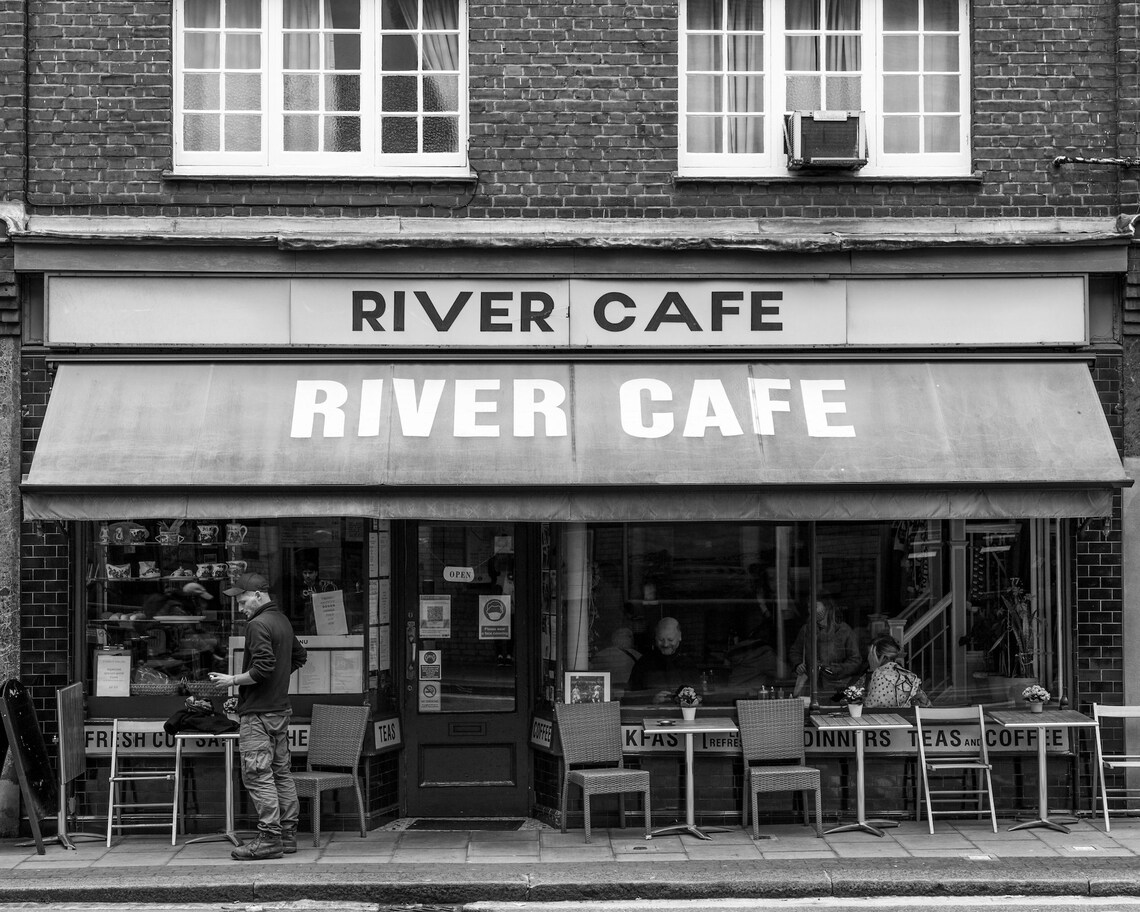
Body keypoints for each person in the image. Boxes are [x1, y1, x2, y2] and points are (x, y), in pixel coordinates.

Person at [209, 572, 307, 861]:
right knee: (281, 773)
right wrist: (278, 679)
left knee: (257, 775)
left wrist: (232, 680)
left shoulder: (257, 624)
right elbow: (299, 657)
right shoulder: (282, 620)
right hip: (280, 710)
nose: (240, 608)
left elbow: (263, 668)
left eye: (243, 602)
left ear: (258, 595)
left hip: (258, 714)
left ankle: (269, 838)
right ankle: (287, 835)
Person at [789, 597, 862, 698]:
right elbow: (795, 652)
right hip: (811, 687)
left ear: (827, 607)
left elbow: (855, 660)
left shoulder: (844, 630)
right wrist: (797, 664)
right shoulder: (806, 630)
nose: (811, 610)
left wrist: (834, 670)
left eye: (815, 606)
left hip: (837, 687)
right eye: (809, 607)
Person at [627, 616, 699, 702]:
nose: (665, 644)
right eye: (661, 640)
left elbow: (698, 695)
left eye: (670, 640)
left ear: (679, 637)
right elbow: (630, 697)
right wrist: (651, 700)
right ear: (655, 638)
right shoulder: (643, 664)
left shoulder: (688, 664)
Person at [862, 635, 931, 708]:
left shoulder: (879, 676)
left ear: (884, 657)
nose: (868, 658)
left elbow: (870, 707)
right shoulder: (907, 675)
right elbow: (925, 703)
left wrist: (874, 672)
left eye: (870, 655)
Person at [590, 626, 642, 697]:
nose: (632, 639)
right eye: (629, 636)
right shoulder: (638, 656)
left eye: (630, 637)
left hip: (608, 691)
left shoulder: (600, 655)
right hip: (628, 692)